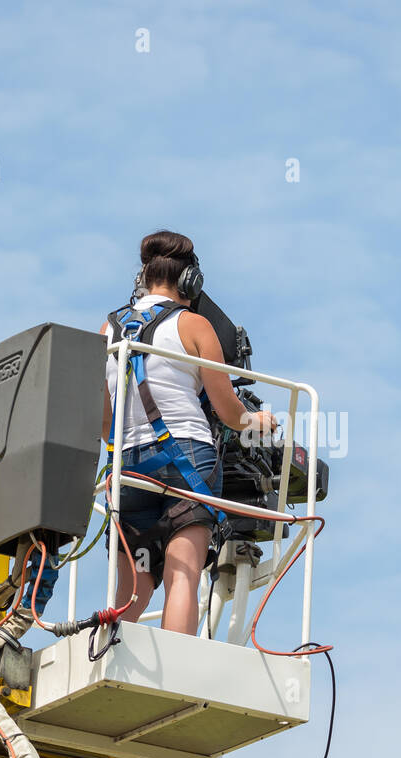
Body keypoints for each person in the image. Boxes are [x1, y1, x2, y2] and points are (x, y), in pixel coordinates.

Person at [100, 230, 277, 635]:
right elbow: (229, 412)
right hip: (186, 460)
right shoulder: (194, 325)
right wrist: (259, 423)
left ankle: (112, 659)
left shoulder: (106, 331)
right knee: (183, 576)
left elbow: (104, 420)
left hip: (128, 468)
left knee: (133, 589)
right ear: (189, 283)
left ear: (141, 280)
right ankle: (172, 676)